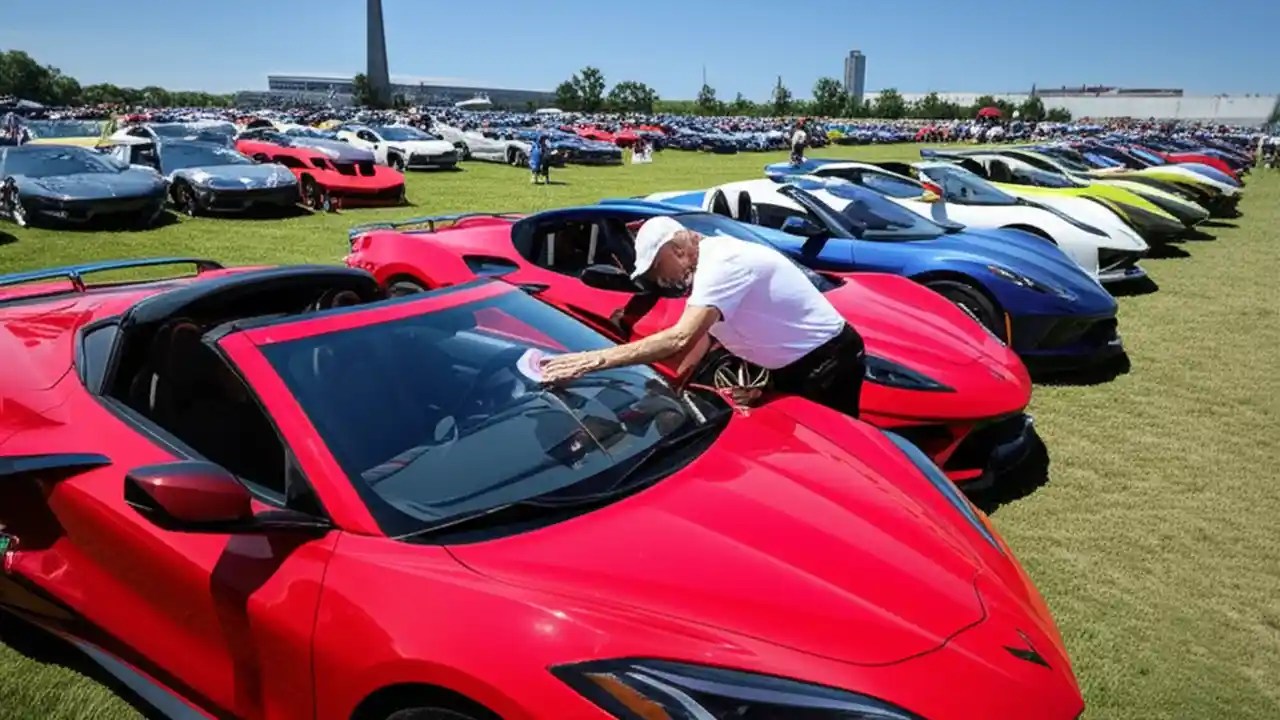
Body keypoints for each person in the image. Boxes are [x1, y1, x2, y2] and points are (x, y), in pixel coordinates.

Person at [540, 216, 866, 417]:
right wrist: (667, 393)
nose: (658, 279)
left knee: (831, 451)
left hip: (827, 364)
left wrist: (591, 361)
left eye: (656, 268)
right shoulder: (709, 270)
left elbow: (680, 337)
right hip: (800, 365)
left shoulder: (721, 263)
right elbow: (700, 342)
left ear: (675, 251)